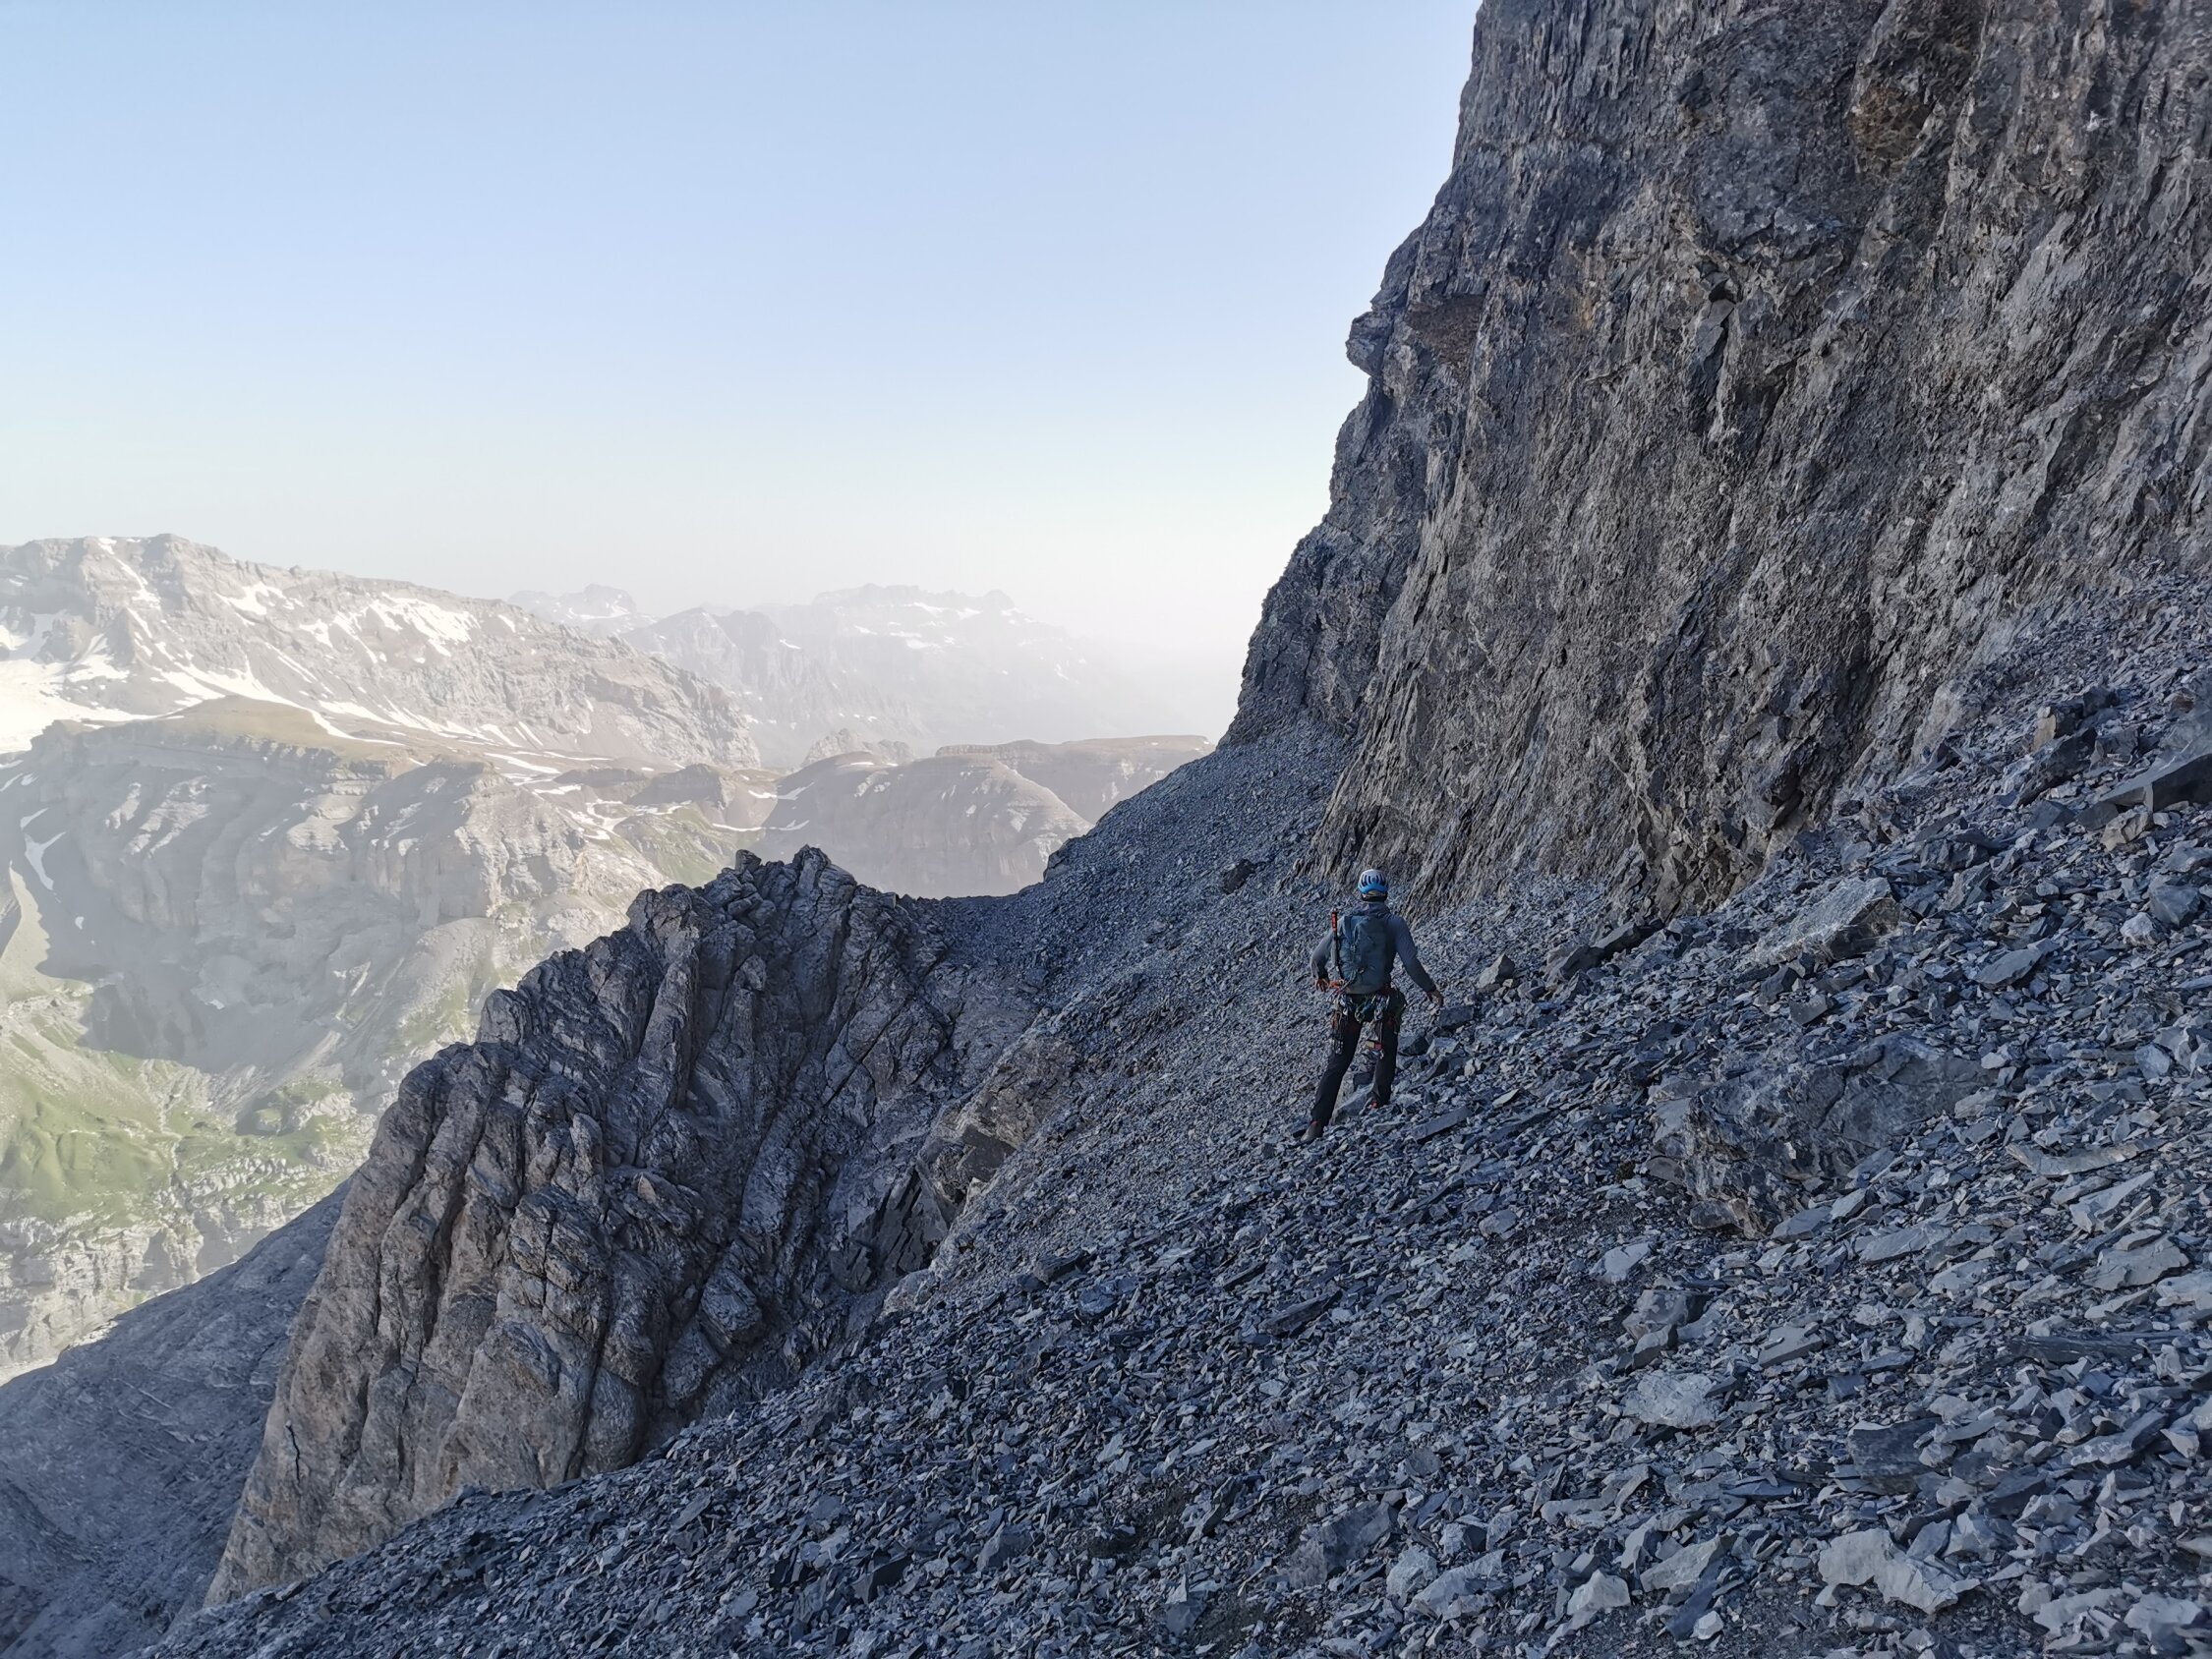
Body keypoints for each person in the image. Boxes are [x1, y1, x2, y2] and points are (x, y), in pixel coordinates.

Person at [1302, 868, 1443, 1141]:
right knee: (1385, 1050)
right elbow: (1411, 962)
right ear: (1386, 891)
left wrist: (1321, 977)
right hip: (1381, 999)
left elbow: (1316, 957)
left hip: (1347, 1001)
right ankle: (1379, 1101)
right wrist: (1430, 989)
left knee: (1338, 1061)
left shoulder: (1345, 922)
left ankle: (1316, 1123)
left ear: (1360, 892)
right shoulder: (1394, 923)